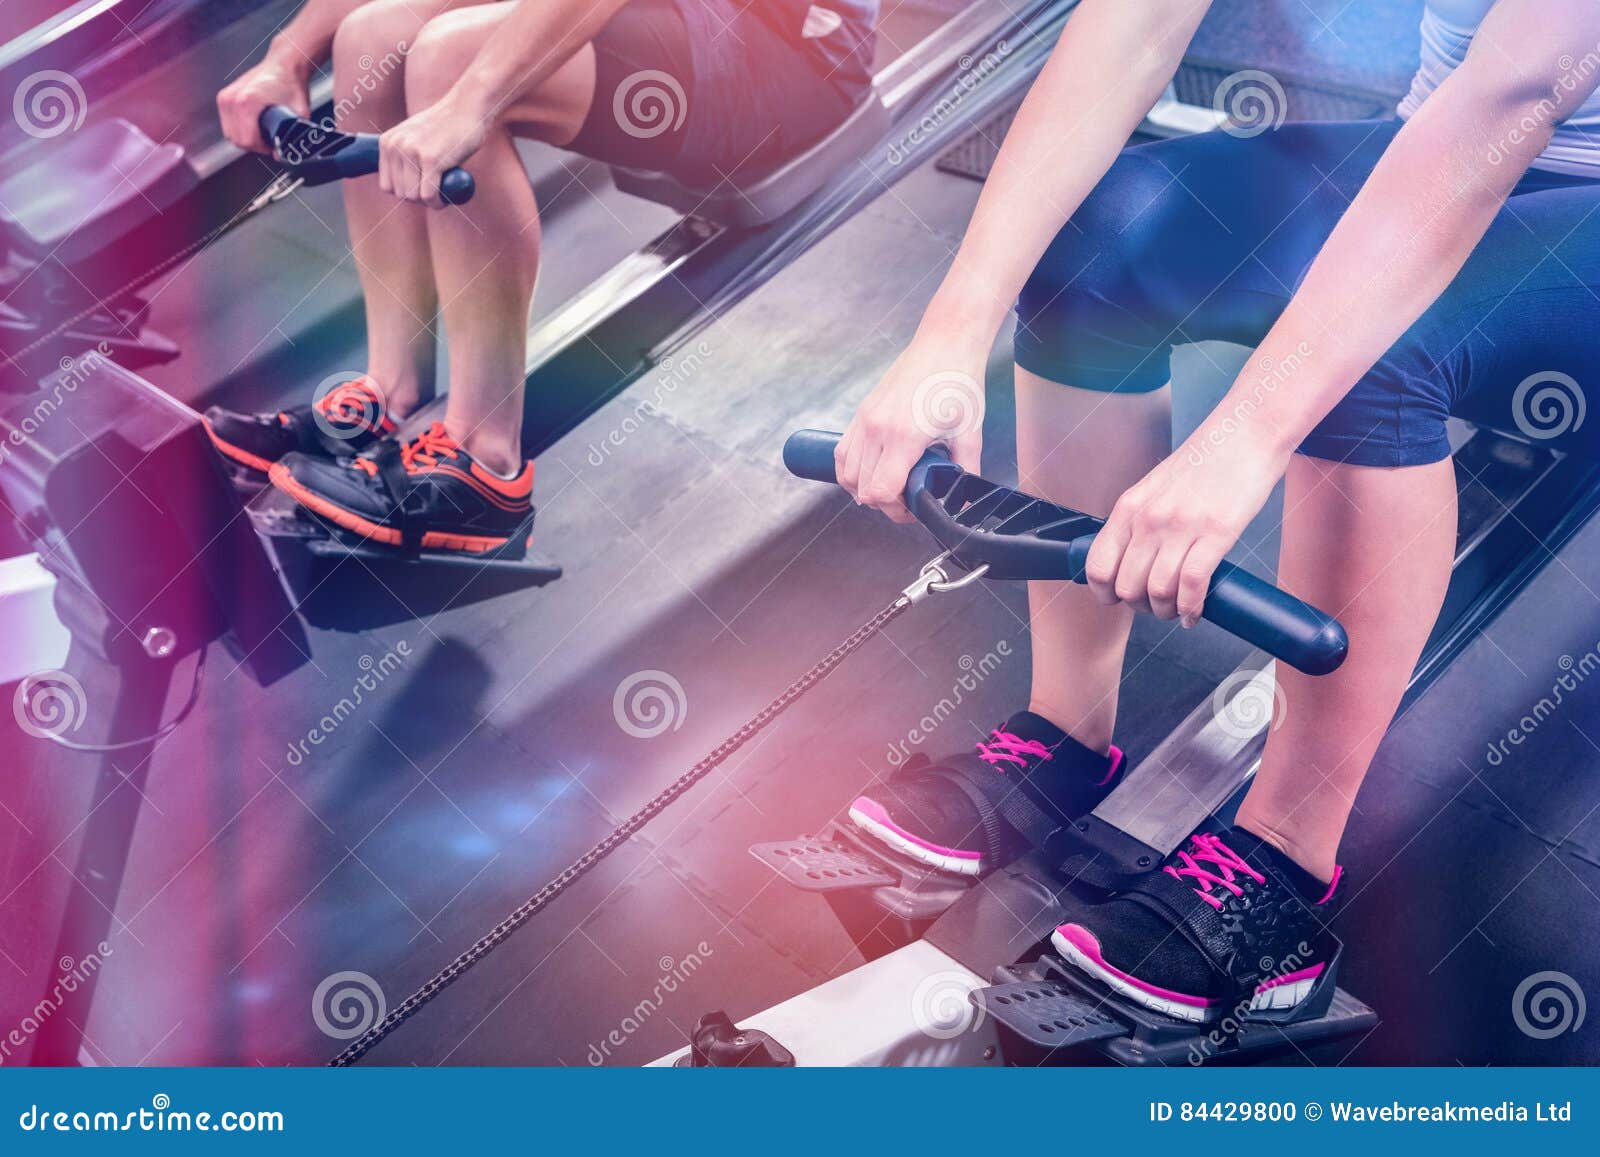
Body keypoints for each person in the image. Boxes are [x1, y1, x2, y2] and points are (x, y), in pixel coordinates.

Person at [835, 0, 1600, 1022]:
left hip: (1536, 159)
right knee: (1096, 243)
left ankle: (1280, 869)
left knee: (1371, 358)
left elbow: (1511, 96)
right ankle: (1064, 738)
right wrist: (950, 330)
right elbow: (1135, 21)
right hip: (1438, 137)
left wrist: (1245, 432)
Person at [209, 0, 877, 553]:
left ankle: (482, 460)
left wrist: (470, 103)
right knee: (371, 38)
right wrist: (288, 56)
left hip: (795, 52)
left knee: (450, 59)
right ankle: (391, 393)